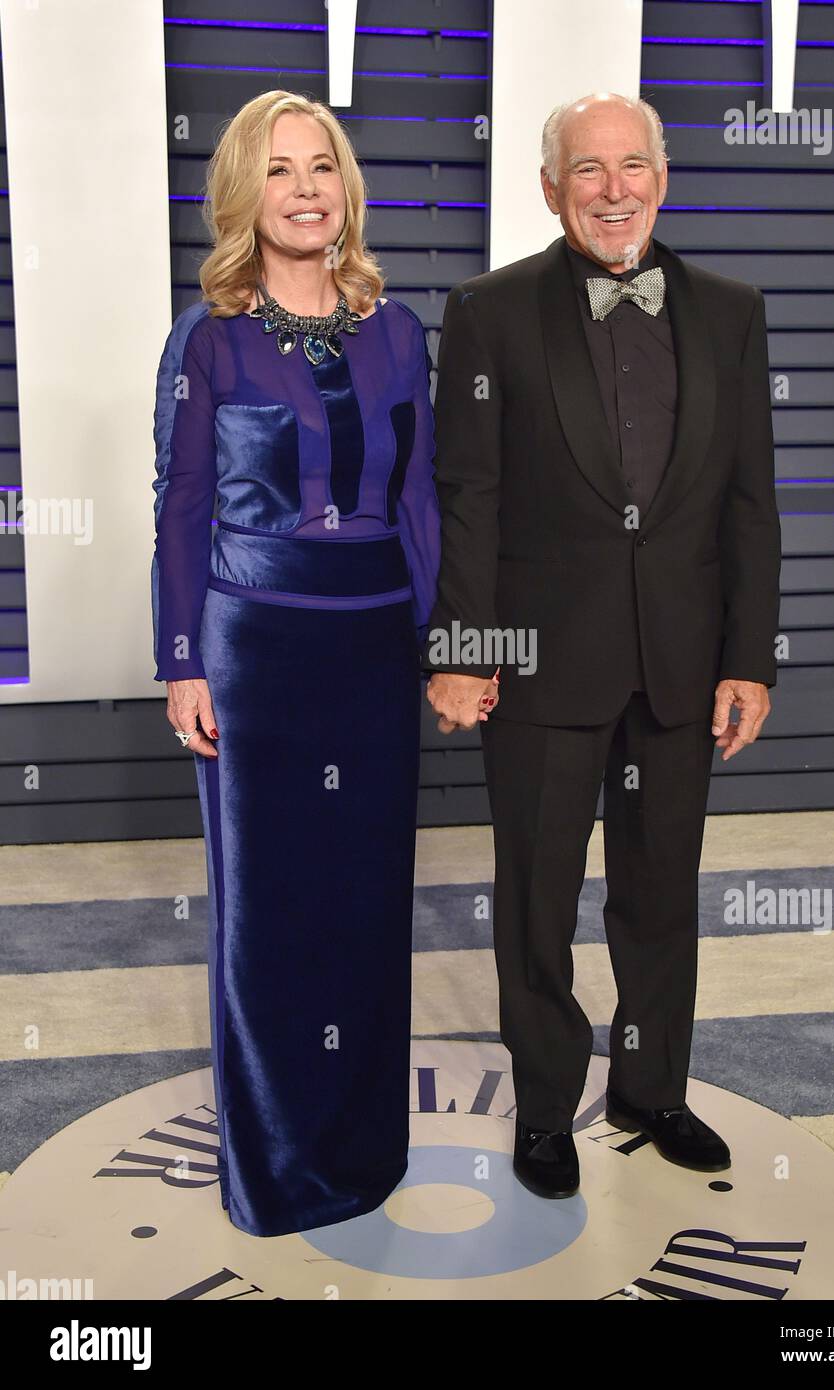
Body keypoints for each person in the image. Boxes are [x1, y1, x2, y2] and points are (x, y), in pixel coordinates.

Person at [424, 93, 782, 1199]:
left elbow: (749, 503)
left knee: (661, 892)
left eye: (633, 166)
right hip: (536, 662)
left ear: (661, 181)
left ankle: (649, 1087)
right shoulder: (489, 312)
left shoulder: (730, 310)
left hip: (681, 662)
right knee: (537, 895)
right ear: (550, 187)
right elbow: (468, 497)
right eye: (589, 169)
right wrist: (463, 648)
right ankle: (543, 1110)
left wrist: (749, 658)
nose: (614, 189)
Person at [151, 90, 495, 1237]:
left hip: (373, 646)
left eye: (323, 168)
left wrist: (444, 644)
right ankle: (279, 1165)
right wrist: (183, 658)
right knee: (267, 909)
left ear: (347, 191)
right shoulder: (208, 339)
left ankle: (361, 1146)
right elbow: (184, 506)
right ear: (245, 194)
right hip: (255, 651)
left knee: (363, 904)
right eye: (281, 170)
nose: (306, 189)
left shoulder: (398, 332)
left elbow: (421, 505)